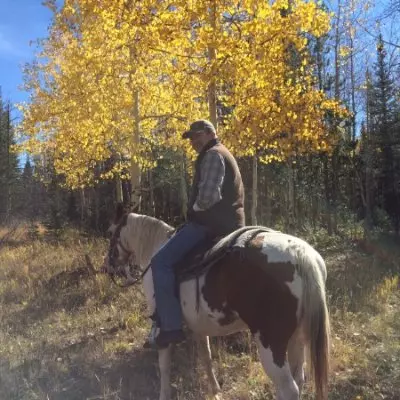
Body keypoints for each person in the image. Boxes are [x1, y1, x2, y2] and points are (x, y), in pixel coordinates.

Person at [150, 119, 245, 348]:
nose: (192, 141)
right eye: (191, 138)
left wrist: (192, 211)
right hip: (228, 224)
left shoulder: (213, 155)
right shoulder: (222, 153)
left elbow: (207, 197)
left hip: (211, 225)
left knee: (160, 262)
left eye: (196, 136)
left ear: (210, 133)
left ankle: (171, 328)